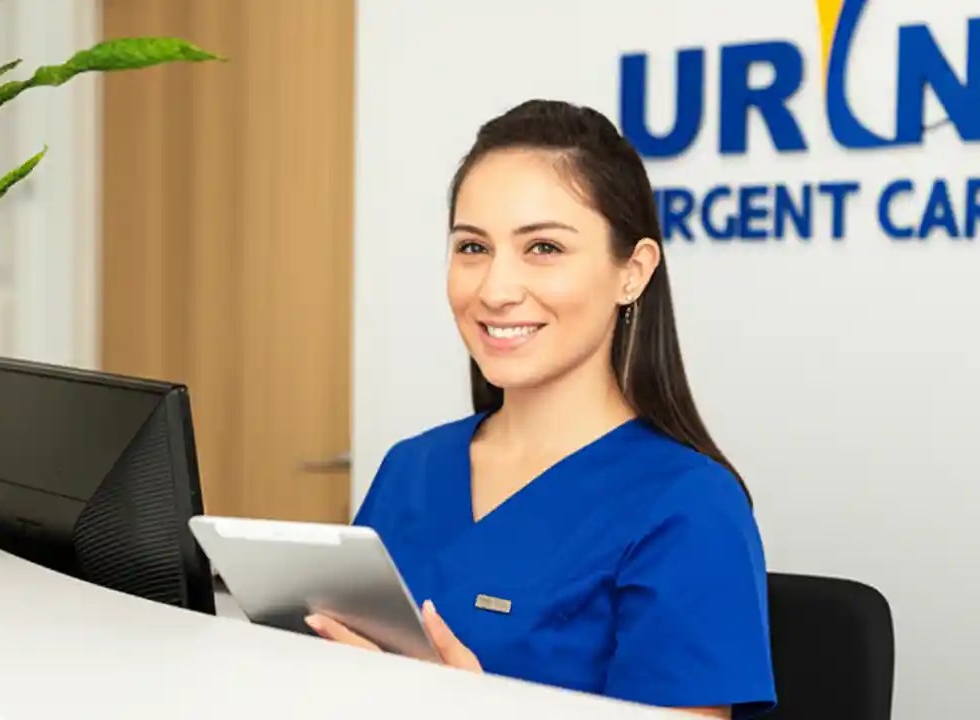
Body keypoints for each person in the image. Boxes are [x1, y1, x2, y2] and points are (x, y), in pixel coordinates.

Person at [306, 99, 776, 719]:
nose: (496, 290)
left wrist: (470, 708)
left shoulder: (688, 508)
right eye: (473, 247)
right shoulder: (411, 468)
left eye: (544, 248)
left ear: (632, 273)